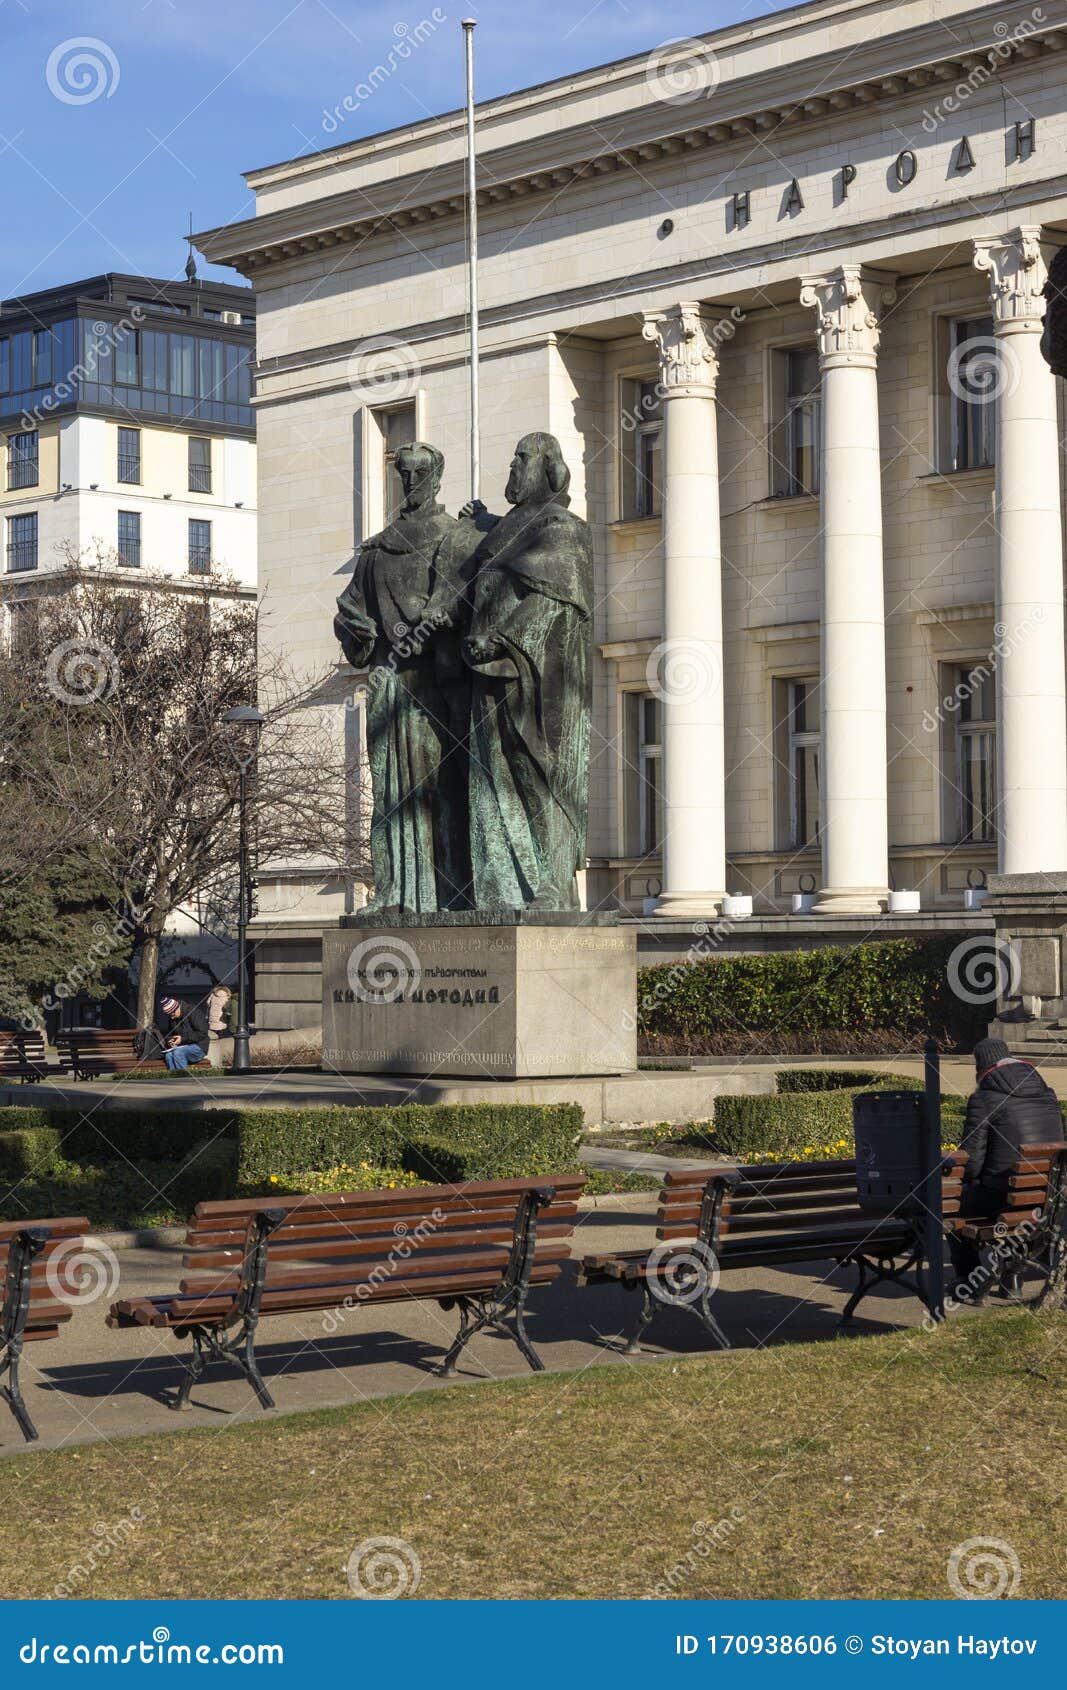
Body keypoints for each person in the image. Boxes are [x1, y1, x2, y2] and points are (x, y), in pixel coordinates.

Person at [334, 441, 474, 915]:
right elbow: (348, 606)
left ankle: (450, 892)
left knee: (442, 790)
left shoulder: (454, 539)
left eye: (419, 473)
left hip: (437, 684)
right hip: (389, 682)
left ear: (436, 478)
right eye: (404, 473)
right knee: (391, 792)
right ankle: (394, 892)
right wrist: (357, 627)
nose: (411, 481)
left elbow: (470, 604)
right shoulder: (376, 550)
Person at [462, 433, 593, 912]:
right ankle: (501, 888)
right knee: (492, 778)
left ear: (548, 467)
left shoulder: (563, 526)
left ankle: (555, 882)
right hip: (487, 674)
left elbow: (558, 599)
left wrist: (503, 636)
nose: (513, 468)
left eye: (522, 459)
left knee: (541, 773)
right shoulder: (503, 529)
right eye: (513, 459)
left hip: (540, 678)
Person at [951, 1037, 1065, 1288]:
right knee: (1013, 1198)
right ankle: (1012, 1273)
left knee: (950, 1204)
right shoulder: (1047, 1095)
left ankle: (967, 1279)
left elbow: (971, 1164)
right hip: (1047, 1196)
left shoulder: (983, 1100)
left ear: (981, 1070)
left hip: (1002, 1196)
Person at [159, 994, 211, 1071]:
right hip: (182, 1046)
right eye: (169, 1015)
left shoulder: (193, 1012)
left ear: (177, 1008)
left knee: (178, 1052)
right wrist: (171, 1040)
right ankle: (173, 1078)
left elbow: (202, 1033)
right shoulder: (173, 1018)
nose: (171, 1017)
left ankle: (182, 1079)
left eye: (172, 1014)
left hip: (199, 1047)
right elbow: (171, 1034)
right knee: (169, 1055)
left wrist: (182, 1039)